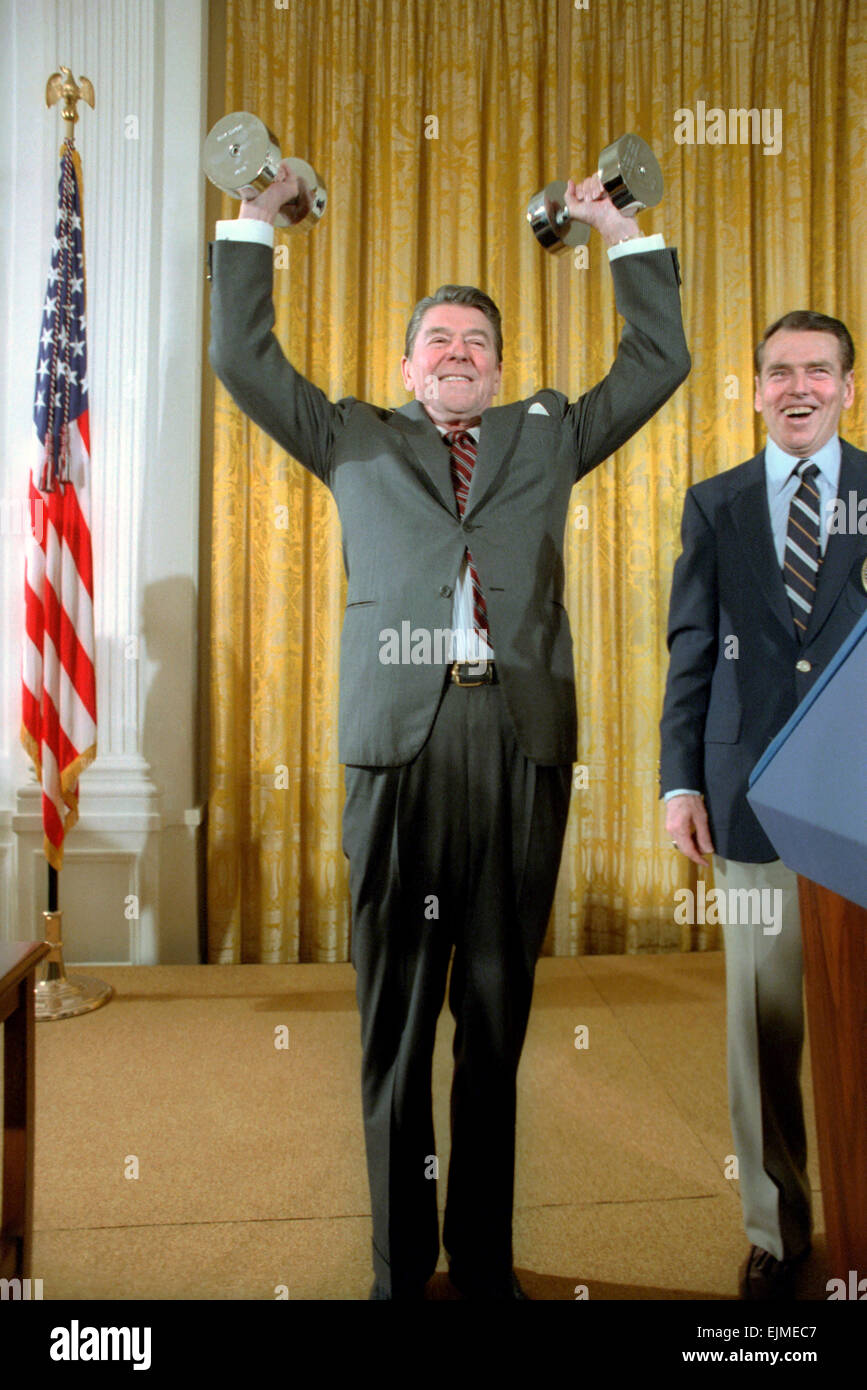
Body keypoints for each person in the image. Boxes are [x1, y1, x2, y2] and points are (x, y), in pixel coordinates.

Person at [210, 160, 690, 1299]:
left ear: (504, 367)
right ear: (405, 363)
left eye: (478, 340)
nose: (459, 352)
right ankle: (396, 1269)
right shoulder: (350, 436)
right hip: (398, 754)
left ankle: (478, 1266)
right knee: (395, 1019)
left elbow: (660, 361)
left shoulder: (550, 434)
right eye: (440, 339)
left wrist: (615, 225)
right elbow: (241, 356)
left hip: (517, 745)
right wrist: (253, 217)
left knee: (494, 1013)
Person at [659, 311, 867, 1300]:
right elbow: (690, 652)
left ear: (847, 389)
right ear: (752, 388)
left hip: (863, 796)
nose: (798, 387)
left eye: (818, 371)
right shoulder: (715, 504)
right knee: (763, 1021)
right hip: (750, 802)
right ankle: (778, 1234)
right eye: (779, 370)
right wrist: (681, 779)